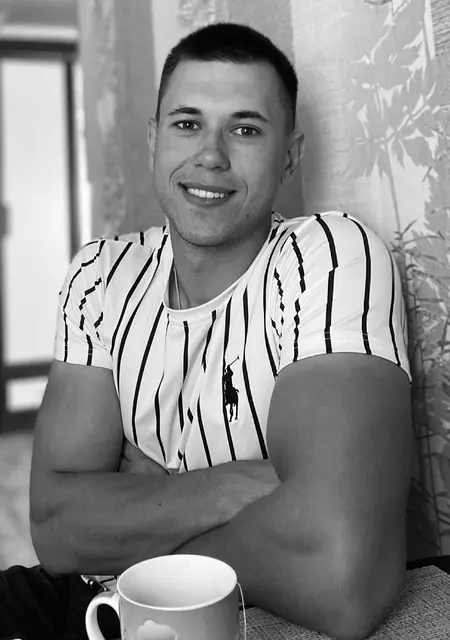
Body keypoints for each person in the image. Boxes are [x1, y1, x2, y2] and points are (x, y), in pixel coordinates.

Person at [0, 22, 412, 640]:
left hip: (220, 616)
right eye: (187, 123)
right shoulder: (100, 275)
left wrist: (141, 513)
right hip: (84, 601)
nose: (211, 155)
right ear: (154, 140)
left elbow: (338, 572)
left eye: (245, 129)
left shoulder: (327, 259)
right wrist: (242, 484)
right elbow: (58, 530)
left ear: (290, 155)